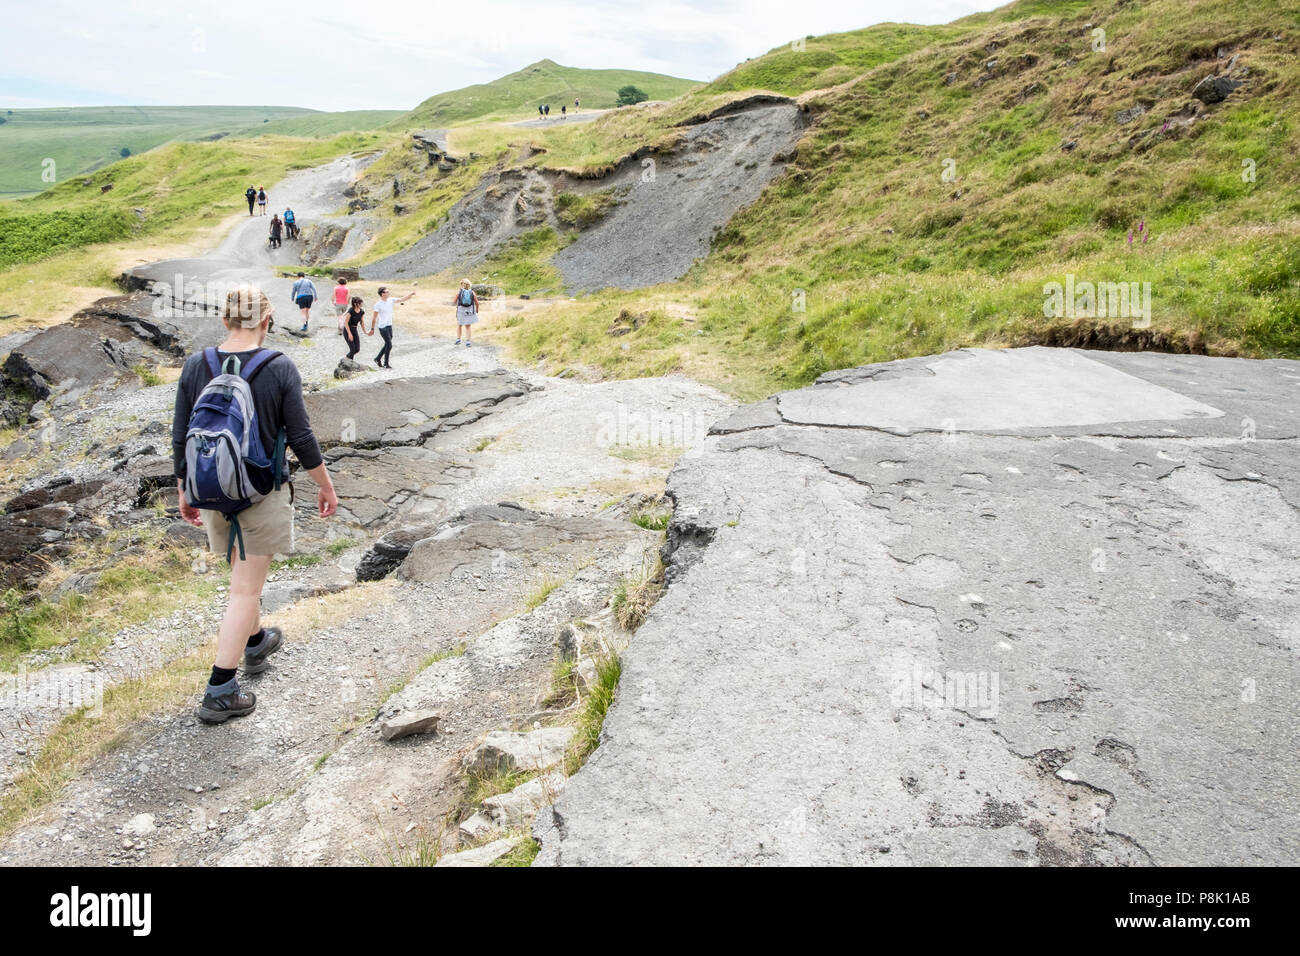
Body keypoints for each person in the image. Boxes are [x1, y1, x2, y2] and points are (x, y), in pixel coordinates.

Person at [171, 286, 338, 724]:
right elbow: (300, 438)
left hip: (213, 488)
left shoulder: (196, 365)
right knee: (245, 590)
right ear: (266, 321)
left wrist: (184, 488)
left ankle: (255, 641)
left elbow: (180, 435)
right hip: (262, 491)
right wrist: (326, 486)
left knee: (243, 580)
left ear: (225, 320)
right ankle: (220, 689)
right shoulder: (278, 367)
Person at [368, 285, 415, 368]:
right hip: (382, 327)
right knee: (389, 345)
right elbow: (374, 318)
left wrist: (410, 294)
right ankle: (386, 363)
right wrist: (372, 329)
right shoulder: (378, 304)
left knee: (387, 343)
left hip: (389, 325)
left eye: (388, 292)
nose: (388, 293)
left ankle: (377, 358)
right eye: (386, 292)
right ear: (382, 294)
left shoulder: (391, 300)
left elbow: (402, 299)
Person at [453, 278, 479, 347]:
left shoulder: (459, 291)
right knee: (468, 326)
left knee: (459, 325)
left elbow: (454, 301)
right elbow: (477, 303)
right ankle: (468, 341)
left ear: (462, 284)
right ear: (469, 285)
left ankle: (458, 339)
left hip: (461, 310)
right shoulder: (472, 292)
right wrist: (476, 310)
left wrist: (457, 304)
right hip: (469, 311)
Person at [342, 295, 365, 360]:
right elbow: (346, 323)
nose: (361, 304)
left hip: (354, 330)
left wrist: (365, 331)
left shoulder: (361, 311)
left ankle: (346, 359)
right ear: (355, 304)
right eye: (360, 303)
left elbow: (362, 322)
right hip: (347, 330)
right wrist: (349, 334)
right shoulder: (351, 311)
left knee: (357, 349)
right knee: (352, 349)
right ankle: (350, 364)